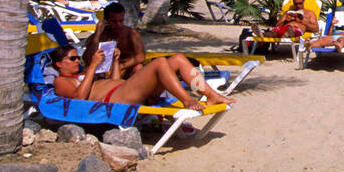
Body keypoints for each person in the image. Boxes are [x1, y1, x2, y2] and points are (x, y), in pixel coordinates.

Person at [49, 44, 234, 109]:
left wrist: (115, 61)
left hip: (125, 90)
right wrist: (92, 67)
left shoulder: (82, 73)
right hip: (114, 100)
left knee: (177, 59)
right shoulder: (61, 81)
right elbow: (79, 98)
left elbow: (113, 80)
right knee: (160, 62)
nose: (76, 61)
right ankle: (186, 100)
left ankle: (211, 95)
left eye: (77, 57)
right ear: (59, 64)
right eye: (72, 58)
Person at [81, 2, 145, 80]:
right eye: (114, 21)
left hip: (124, 70)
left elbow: (141, 57)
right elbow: (86, 59)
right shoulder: (100, 35)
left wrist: (122, 66)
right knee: (86, 69)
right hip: (103, 72)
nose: (118, 24)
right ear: (106, 21)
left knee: (138, 67)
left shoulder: (131, 34)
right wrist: (97, 35)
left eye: (121, 21)